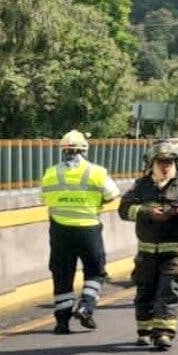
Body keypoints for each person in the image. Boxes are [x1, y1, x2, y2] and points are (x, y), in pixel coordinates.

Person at [119, 141, 178, 350]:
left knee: (169, 291)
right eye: (161, 162)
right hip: (147, 252)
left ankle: (164, 333)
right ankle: (144, 331)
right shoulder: (141, 186)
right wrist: (148, 213)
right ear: (152, 163)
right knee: (145, 292)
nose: (166, 166)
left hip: (175, 252)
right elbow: (124, 210)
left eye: (169, 162)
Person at [40, 130, 121, 334]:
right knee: (95, 271)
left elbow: (45, 199)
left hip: (60, 230)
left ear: (62, 150)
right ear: (85, 149)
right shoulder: (97, 172)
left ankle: (62, 322)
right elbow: (113, 194)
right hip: (88, 229)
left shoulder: (50, 173)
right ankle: (86, 306)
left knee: (62, 275)